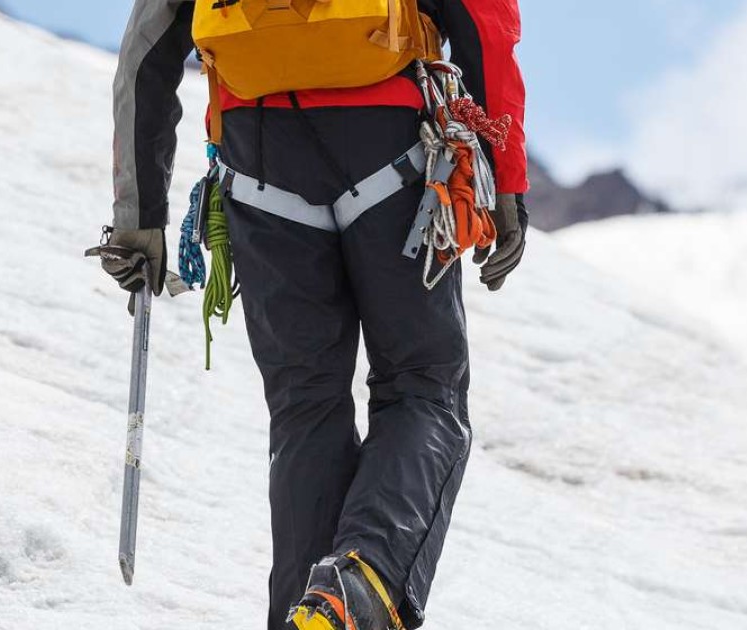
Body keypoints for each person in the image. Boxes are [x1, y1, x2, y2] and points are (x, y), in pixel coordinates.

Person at [95, 1, 528, 628]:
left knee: (306, 406)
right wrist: (507, 181)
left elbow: (148, 50)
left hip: (259, 152)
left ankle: (306, 614)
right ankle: (358, 589)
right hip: (389, 140)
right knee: (423, 387)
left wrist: (140, 221)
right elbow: (482, 19)